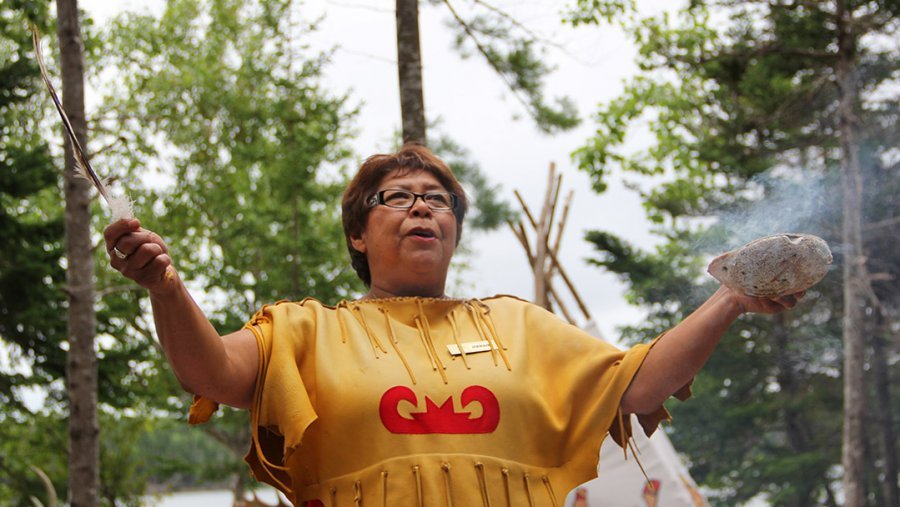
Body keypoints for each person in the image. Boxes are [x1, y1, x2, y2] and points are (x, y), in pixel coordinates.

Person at [104, 144, 802, 507]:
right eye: (397, 197)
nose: (421, 208)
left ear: (456, 231)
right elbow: (210, 373)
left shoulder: (521, 326)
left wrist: (731, 298)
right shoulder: (303, 329)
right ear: (357, 232)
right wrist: (166, 286)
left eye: (437, 200)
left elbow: (641, 380)